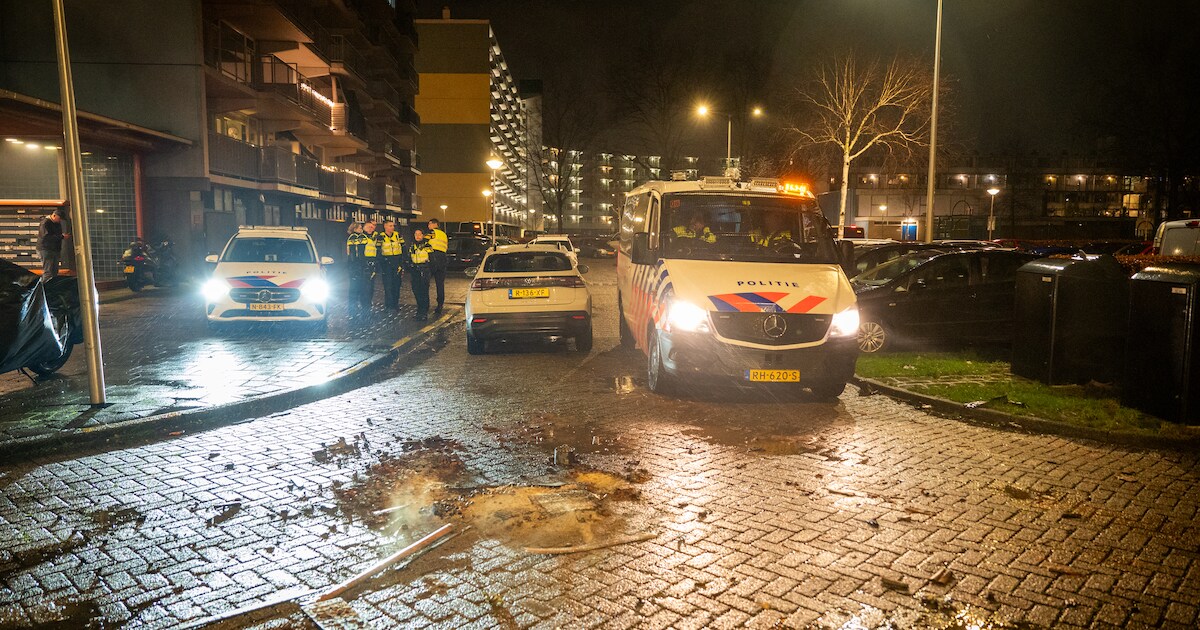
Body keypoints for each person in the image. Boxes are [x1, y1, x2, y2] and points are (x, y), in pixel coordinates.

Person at [408, 229, 434, 321]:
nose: (418, 236)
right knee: (416, 291)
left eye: (419, 234)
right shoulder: (412, 246)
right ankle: (419, 311)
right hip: (415, 270)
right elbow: (409, 258)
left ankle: (424, 312)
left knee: (424, 292)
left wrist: (429, 271)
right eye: (416, 234)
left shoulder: (427, 246)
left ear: (423, 235)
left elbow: (432, 259)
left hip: (424, 270)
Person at [379, 220, 405, 310]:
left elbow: (403, 248)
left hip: (397, 262)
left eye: (393, 226)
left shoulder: (398, 235)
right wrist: (382, 263)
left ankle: (395, 304)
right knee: (388, 286)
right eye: (390, 226)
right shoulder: (381, 237)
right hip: (386, 263)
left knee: (396, 285)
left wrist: (402, 263)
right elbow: (378, 251)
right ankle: (388, 305)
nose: (392, 227)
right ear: (385, 226)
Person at [37, 208, 69, 280]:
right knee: (48, 271)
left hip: (54, 249)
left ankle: (52, 288)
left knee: (54, 271)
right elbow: (46, 237)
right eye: (59, 218)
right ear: (54, 215)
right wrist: (62, 236)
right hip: (46, 249)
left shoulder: (57, 223)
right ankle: (44, 288)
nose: (60, 220)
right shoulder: (45, 223)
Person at [426, 218, 449, 314]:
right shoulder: (443, 234)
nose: (428, 226)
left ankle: (425, 304)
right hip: (442, 259)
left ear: (433, 224)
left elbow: (423, 241)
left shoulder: (432, 232)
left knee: (425, 282)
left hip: (433, 258)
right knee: (440, 284)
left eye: (429, 224)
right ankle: (440, 304)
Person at [345, 222, 368, 317]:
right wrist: (354, 265)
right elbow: (353, 253)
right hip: (356, 265)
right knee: (354, 288)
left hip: (358, 265)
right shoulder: (353, 238)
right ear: (354, 229)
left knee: (359, 287)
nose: (361, 229)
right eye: (359, 228)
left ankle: (355, 308)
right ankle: (353, 309)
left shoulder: (361, 237)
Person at [361, 220, 381, 312]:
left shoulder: (374, 237)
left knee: (371, 285)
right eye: (369, 227)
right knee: (365, 286)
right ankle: (365, 305)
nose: (371, 229)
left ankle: (368, 303)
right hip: (364, 263)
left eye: (372, 227)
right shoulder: (361, 237)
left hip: (373, 263)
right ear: (364, 227)